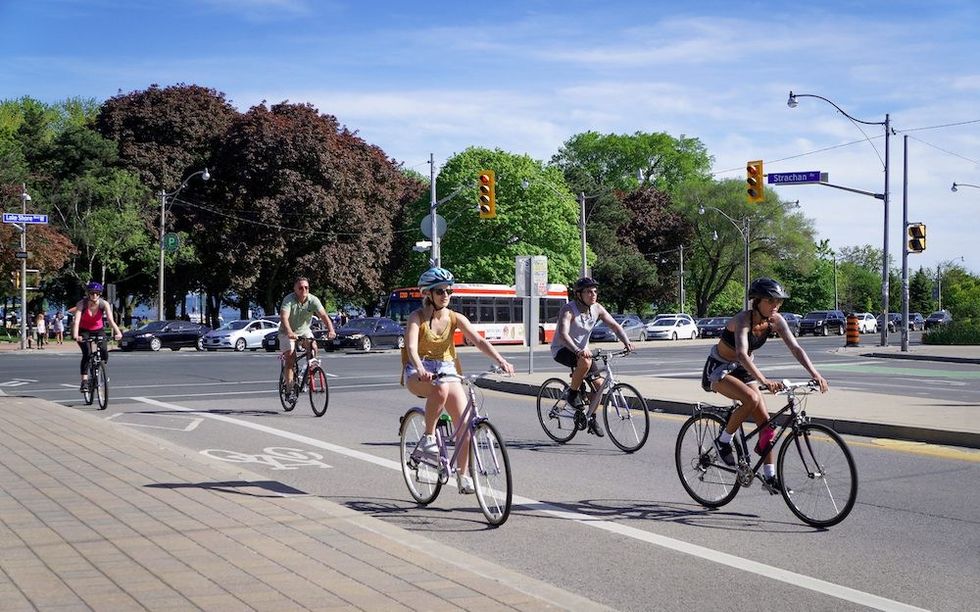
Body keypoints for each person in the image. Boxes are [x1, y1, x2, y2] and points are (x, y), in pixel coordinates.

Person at [702, 278, 829, 494]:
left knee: (767, 428)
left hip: (744, 369)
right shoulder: (743, 320)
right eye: (771, 301)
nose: (776, 306)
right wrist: (764, 381)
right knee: (750, 399)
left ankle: (770, 477)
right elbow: (742, 353)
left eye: (778, 302)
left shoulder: (775, 320)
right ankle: (723, 441)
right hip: (719, 369)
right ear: (757, 301)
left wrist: (815, 374)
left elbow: (796, 348)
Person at [402, 267, 515, 494]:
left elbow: (478, 341)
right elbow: (412, 348)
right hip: (418, 369)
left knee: (465, 425)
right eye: (440, 291)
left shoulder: (455, 317)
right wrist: (422, 369)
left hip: (447, 367)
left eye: (449, 291)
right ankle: (429, 437)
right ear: (428, 294)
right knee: (440, 388)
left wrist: (501, 360)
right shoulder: (417, 317)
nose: (446, 295)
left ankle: (463, 476)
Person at [549, 277, 635, 437]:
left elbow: (615, 326)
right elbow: (562, 334)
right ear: (579, 294)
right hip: (563, 349)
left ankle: (590, 418)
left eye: (595, 291)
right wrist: (577, 350)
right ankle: (572, 393)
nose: (593, 294)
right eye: (589, 291)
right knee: (586, 360)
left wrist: (626, 341)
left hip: (583, 353)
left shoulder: (597, 308)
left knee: (599, 386)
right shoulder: (569, 310)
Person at [279, 276, 336, 400]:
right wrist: (289, 332)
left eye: (306, 287)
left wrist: (331, 330)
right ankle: (289, 388)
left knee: (313, 347)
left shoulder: (313, 300)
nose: (304, 290)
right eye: (300, 287)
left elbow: (324, 316)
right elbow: (284, 318)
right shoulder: (289, 300)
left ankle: (309, 375)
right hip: (287, 331)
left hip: (304, 331)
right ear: (295, 289)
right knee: (290, 356)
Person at [72, 282, 123, 392]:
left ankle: (101, 370)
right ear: (88, 294)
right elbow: (76, 321)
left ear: (100, 294)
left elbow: (110, 320)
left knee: (104, 350)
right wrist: (76, 335)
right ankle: (84, 381)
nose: (94, 295)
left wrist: (118, 332)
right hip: (84, 331)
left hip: (98, 330)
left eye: (97, 293)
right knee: (87, 353)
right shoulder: (82, 304)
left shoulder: (103, 304)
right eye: (92, 293)